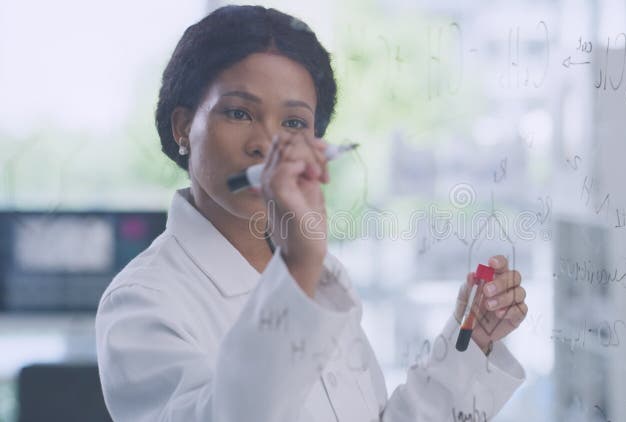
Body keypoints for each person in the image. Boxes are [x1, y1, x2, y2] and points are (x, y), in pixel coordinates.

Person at [95, 5, 529, 421]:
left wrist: (472, 341)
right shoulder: (142, 304)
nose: (266, 144)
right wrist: (300, 268)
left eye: (294, 124)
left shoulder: (324, 277)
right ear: (183, 127)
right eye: (239, 112)